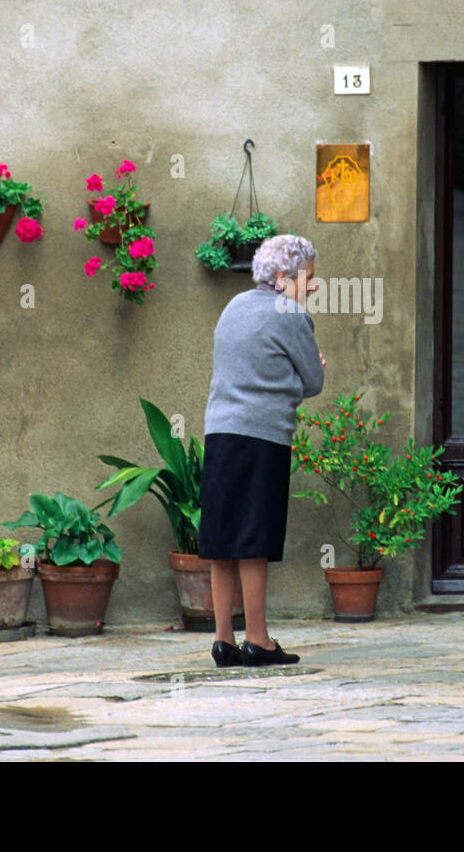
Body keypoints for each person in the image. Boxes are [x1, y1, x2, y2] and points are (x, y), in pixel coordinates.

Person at [200, 234, 325, 667]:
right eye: (308, 277)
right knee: (254, 539)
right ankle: (258, 639)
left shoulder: (233, 306)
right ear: (281, 277)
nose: (312, 287)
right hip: (263, 436)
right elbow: (312, 381)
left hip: (219, 432)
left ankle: (223, 640)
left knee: (222, 539)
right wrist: (303, 374)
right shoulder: (290, 313)